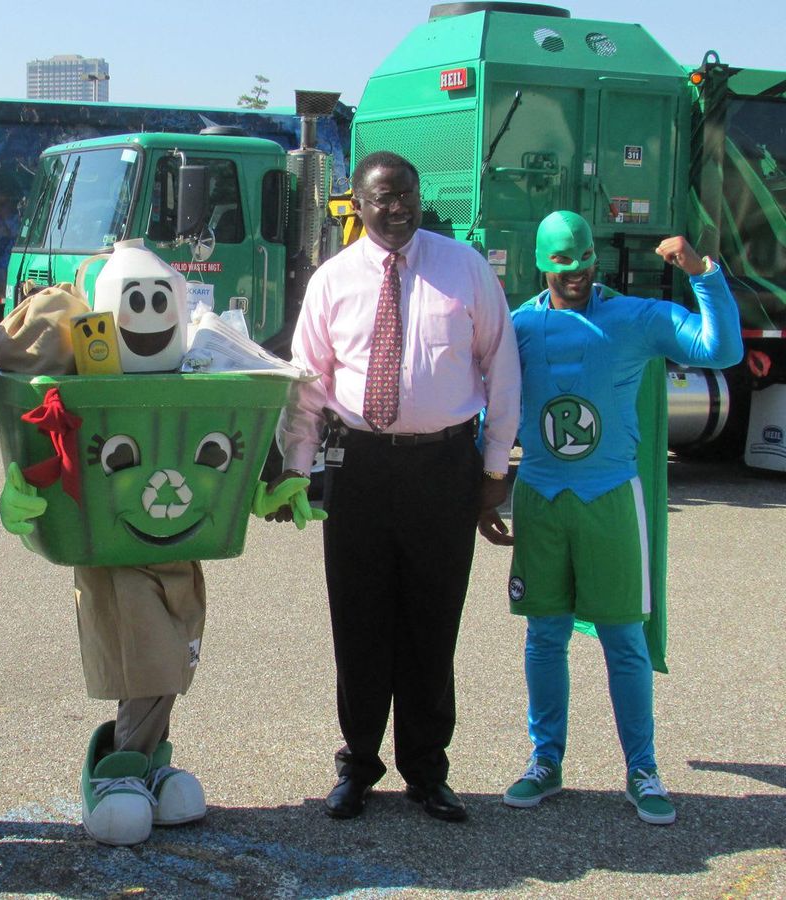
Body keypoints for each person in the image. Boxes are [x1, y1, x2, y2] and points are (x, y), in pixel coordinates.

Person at [274, 151, 521, 822]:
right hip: (360, 468)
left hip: (445, 469)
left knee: (432, 624)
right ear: (358, 202)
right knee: (358, 623)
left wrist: (496, 470)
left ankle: (427, 771)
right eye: (383, 197)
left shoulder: (463, 267)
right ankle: (357, 767)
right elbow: (306, 382)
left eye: (407, 194)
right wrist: (296, 471)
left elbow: (501, 367)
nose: (398, 207)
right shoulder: (333, 280)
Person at [485, 211, 742, 825]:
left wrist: (702, 273)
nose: (573, 273)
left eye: (582, 260)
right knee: (544, 636)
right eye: (561, 262)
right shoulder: (518, 327)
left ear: (594, 258)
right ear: (543, 264)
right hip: (543, 498)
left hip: (609, 498)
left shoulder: (634, 318)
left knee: (623, 639)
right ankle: (545, 761)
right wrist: (486, 491)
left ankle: (642, 767)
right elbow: (486, 407)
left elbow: (721, 348)